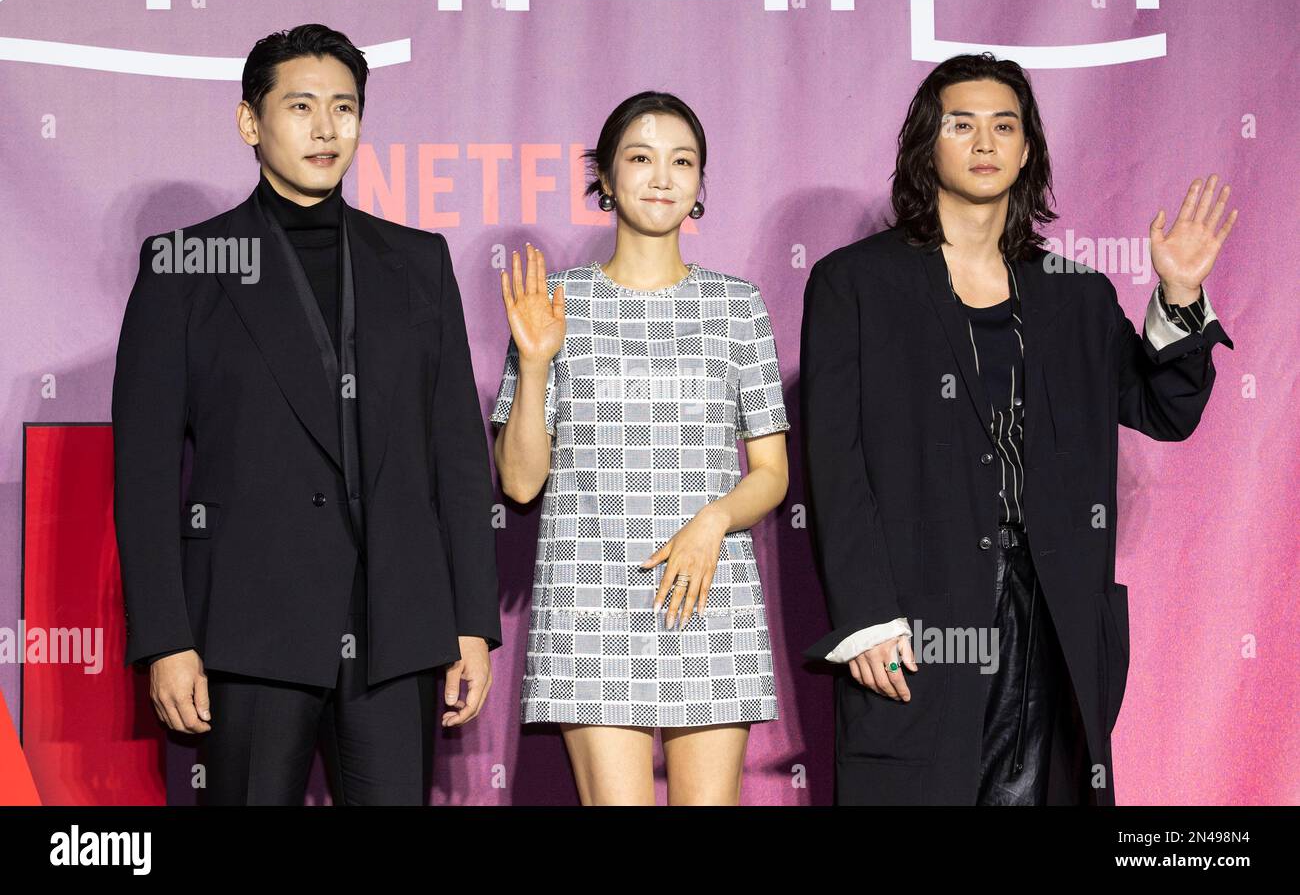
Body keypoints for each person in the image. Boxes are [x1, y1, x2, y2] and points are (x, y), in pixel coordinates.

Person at [800, 52, 1236, 805]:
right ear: (925, 144)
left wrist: (1181, 293)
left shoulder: (1076, 295)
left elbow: (1167, 410)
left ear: (1027, 148)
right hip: (919, 615)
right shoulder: (855, 284)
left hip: (1054, 621)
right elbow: (835, 461)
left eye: (1004, 125)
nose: (984, 142)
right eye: (960, 124)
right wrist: (866, 618)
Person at [112, 24, 501, 805]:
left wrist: (470, 621)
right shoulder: (186, 263)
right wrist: (166, 639)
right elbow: (145, 473)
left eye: (345, 108)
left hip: (396, 626)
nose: (326, 128)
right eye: (300, 106)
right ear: (251, 122)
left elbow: (457, 455)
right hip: (252, 626)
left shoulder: (417, 262)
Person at [490, 92, 790, 805]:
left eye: (682, 161)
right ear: (606, 177)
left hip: (710, 593)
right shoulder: (555, 302)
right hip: (591, 597)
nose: (663, 176)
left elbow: (772, 473)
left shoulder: (737, 306)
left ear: (700, 184)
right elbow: (522, 482)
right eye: (641, 157)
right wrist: (535, 364)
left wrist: (713, 520)